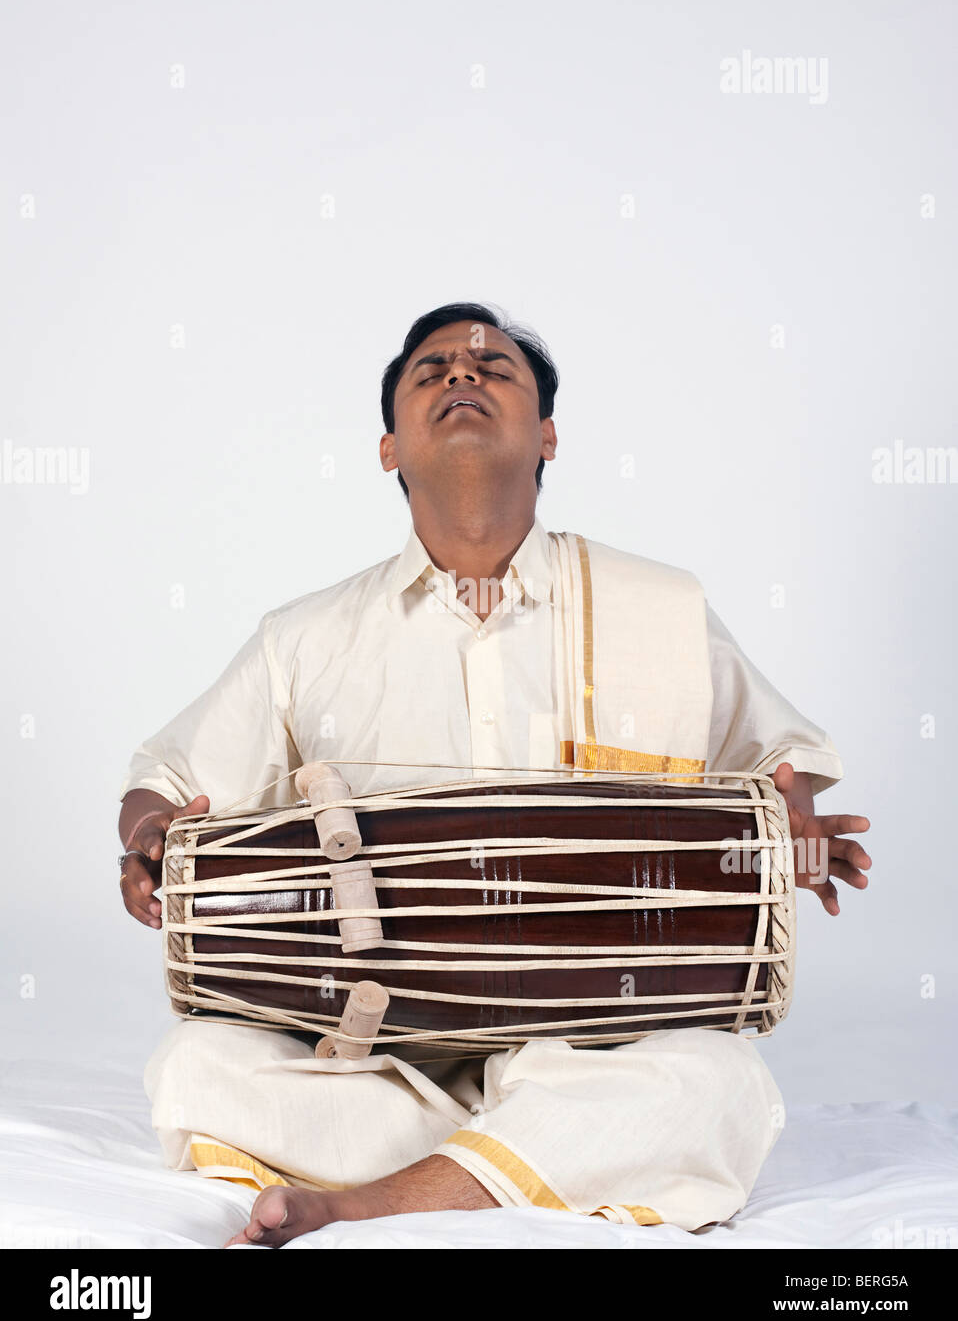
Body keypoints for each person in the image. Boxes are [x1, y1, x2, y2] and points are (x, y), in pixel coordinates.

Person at [118, 302, 871, 1248]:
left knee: (720, 1081)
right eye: (430, 371)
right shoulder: (303, 639)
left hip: (598, 1042)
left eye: (493, 369)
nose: (461, 377)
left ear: (547, 433)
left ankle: (363, 1202)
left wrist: (792, 817)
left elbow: (775, 765)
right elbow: (166, 780)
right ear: (389, 446)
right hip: (380, 1047)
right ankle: (527, 1157)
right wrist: (147, 836)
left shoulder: (658, 607)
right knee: (197, 1063)